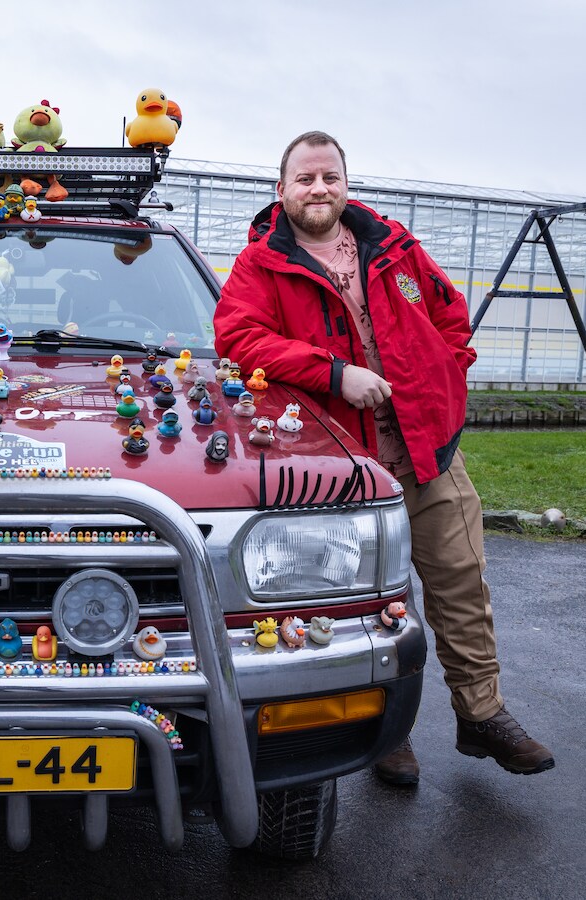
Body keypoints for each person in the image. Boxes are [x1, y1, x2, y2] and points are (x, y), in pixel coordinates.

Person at [213, 131, 554, 785]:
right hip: (347, 471)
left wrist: (447, 371)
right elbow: (237, 336)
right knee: (370, 607)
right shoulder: (261, 266)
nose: (319, 189)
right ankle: (384, 734)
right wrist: (333, 374)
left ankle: (482, 717)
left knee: (461, 587)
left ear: (346, 183)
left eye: (329, 177)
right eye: (305, 179)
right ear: (281, 190)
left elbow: (450, 313)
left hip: (430, 451)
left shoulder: (393, 247)